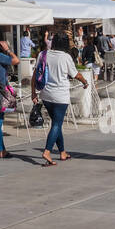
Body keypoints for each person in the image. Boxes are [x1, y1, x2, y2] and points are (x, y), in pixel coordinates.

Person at [33, 32, 88, 165]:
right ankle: (47, 151)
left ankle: (62, 152)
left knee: (56, 124)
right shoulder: (66, 57)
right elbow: (75, 74)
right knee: (57, 124)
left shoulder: (43, 54)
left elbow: (35, 75)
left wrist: (33, 93)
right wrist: (85, 82)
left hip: (45, 94)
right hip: (60, 96)